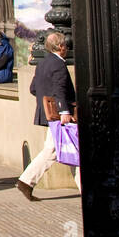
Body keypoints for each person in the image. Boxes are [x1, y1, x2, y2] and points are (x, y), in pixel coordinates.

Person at [17, 31, 80, 199]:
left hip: (49, 114)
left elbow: (33, 88)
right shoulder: (59, 64)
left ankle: (26, 181)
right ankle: (25, 181)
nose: (67, 48)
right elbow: (59, 89)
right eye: (66, 45)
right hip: (60, 115)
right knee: (68, 148)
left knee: (57, 149)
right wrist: (64, 111)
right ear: (60, 47)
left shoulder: (42, 63)